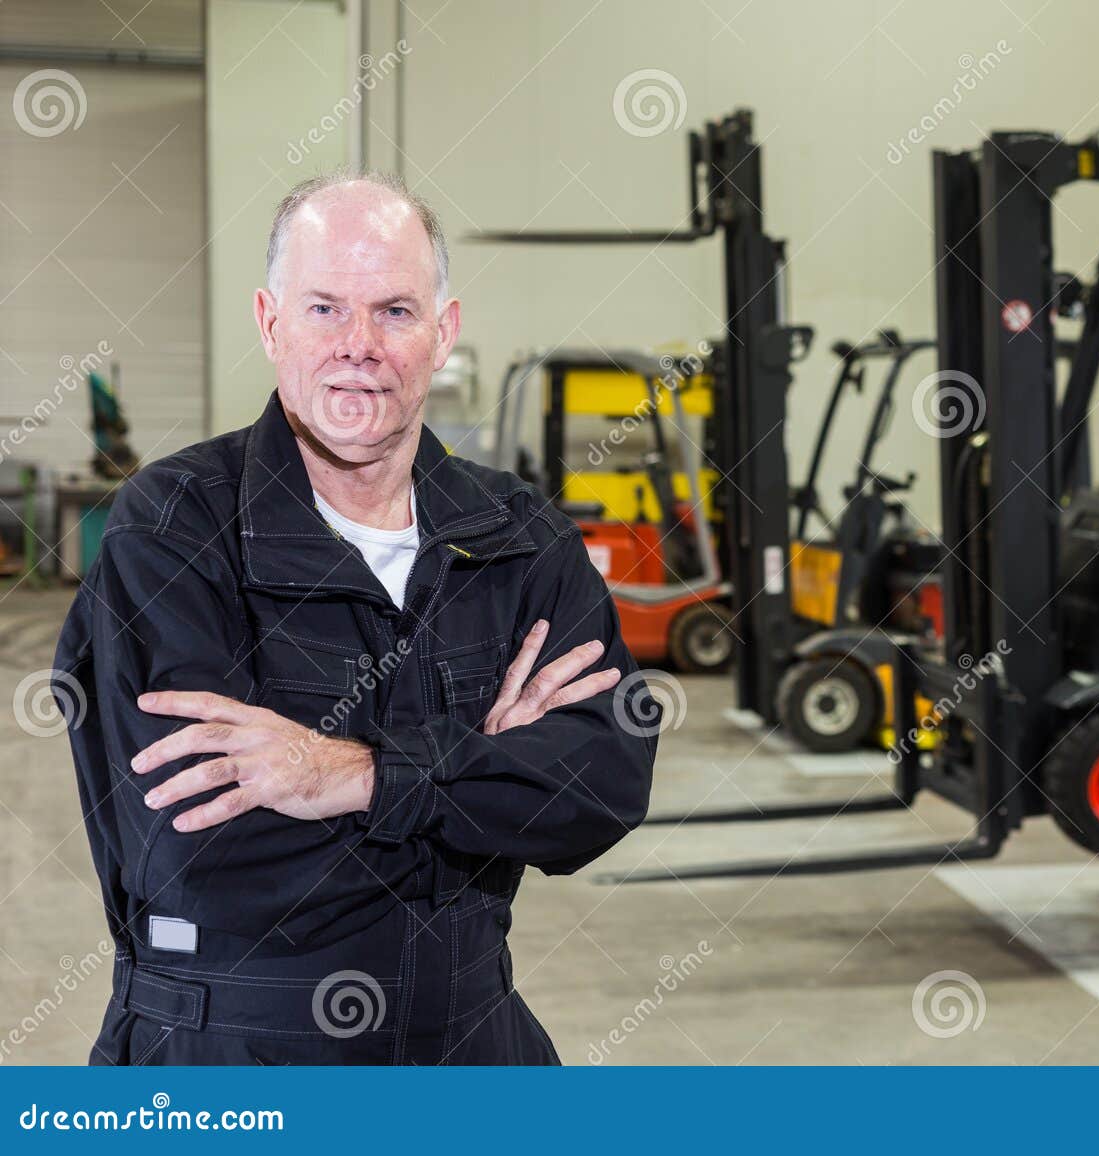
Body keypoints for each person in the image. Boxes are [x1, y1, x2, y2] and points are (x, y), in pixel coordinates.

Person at [52, 170, 655, 1065]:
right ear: (271, 323)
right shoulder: (172, 529)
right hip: (233, 1051)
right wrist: (487, 776)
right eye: (326, 308)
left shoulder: (516, 537)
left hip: (472, 1040)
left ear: (443, 334)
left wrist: (355, 773)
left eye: (396, 312)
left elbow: (603, 787)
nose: (359, 345)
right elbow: (210, 863)